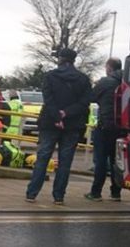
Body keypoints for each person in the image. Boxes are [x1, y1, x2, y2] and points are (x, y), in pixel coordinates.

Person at [25, 47, 91, 205]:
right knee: (65, 162)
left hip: (50, 122)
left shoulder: (50, 76)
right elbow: (84, 103)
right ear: (73, 60)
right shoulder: (83, 79)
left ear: (60, 59)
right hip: (72, 124)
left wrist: (56, 116)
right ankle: (59, 196)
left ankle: (32, 193)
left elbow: (48, 99)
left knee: (43, 158)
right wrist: (66, 113)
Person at [85, 58, 123, 202]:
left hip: (105, 126)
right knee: (116, 161)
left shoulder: (105, 82)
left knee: (101, 160)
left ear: (109, 68)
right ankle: (116, 193)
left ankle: (96, 192)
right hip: (122, 128)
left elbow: (91, 97)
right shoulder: (127, 81)